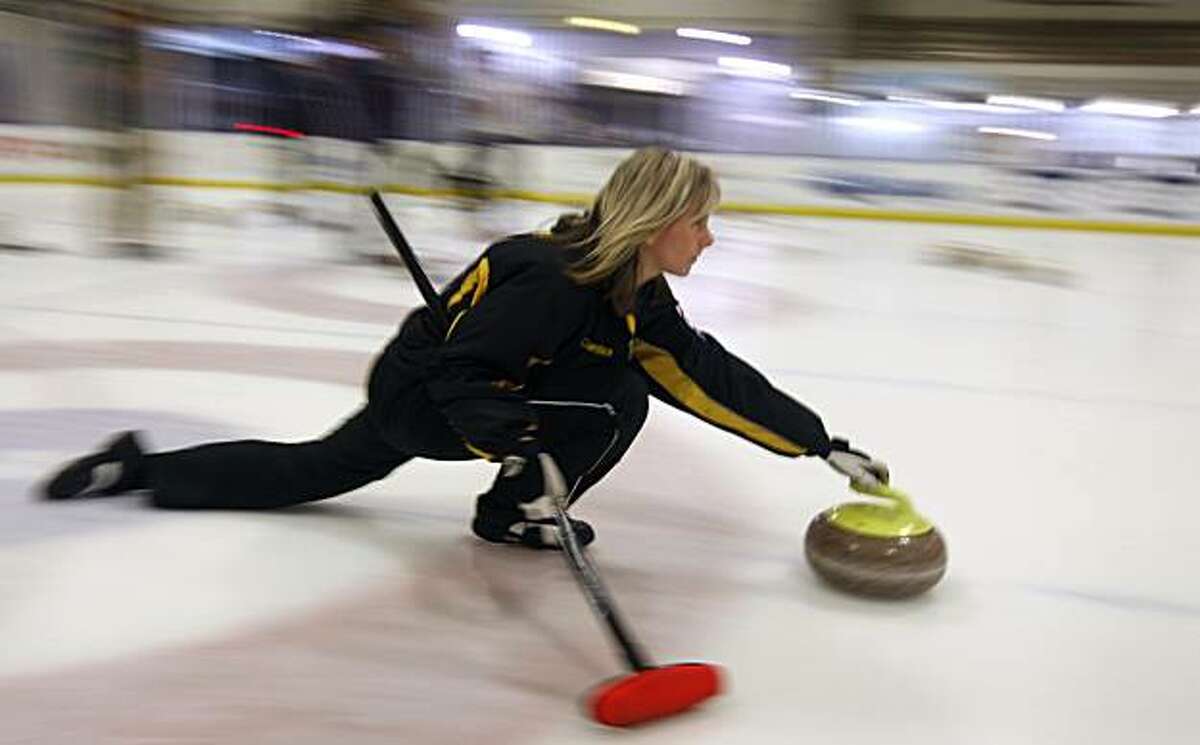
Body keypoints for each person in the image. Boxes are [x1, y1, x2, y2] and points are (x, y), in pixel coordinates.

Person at [38, 148, 889, 550]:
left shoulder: (628, 286)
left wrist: (817, 441)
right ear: (660, 221)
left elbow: (704, 375)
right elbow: (461, 373)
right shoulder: (558, 280)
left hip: (437, 388)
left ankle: (140, 467)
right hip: (431, 398)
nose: (710, 236)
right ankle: (513, 510)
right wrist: (519, 438)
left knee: (312, 469)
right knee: (617, 393)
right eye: (701, 219)